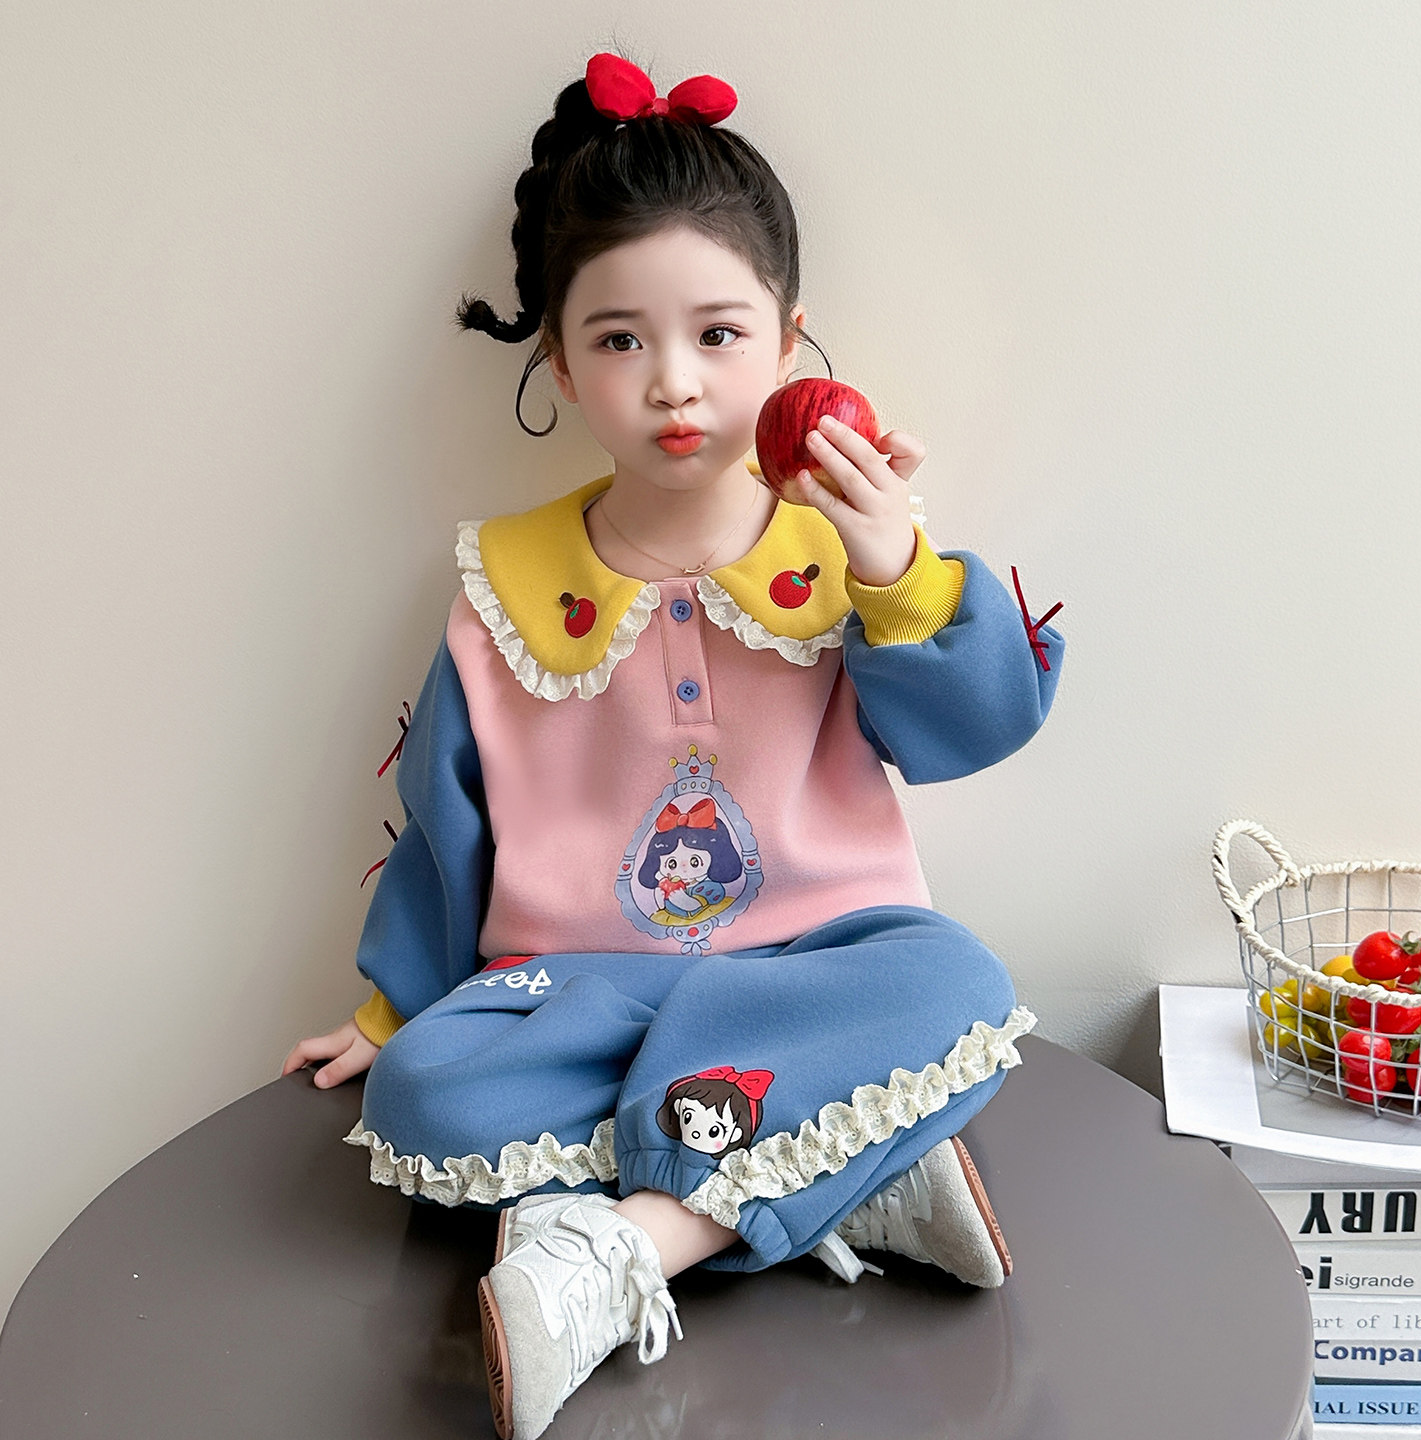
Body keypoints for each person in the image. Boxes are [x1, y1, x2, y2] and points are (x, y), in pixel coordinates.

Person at [283, 51, 1063, 1440]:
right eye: (618, 341)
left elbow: (975, 731)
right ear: (558, 362)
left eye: (717, 333)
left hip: (819, 975)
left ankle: (623, 1247)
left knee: (957, 982)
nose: (672, 384)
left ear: (790, 341)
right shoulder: (501, 584)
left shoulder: (847, 549)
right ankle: (850, 1176)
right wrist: (394, 1011)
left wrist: (899, 570)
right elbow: (448, 826)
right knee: (423, 1095)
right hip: (576, 995)